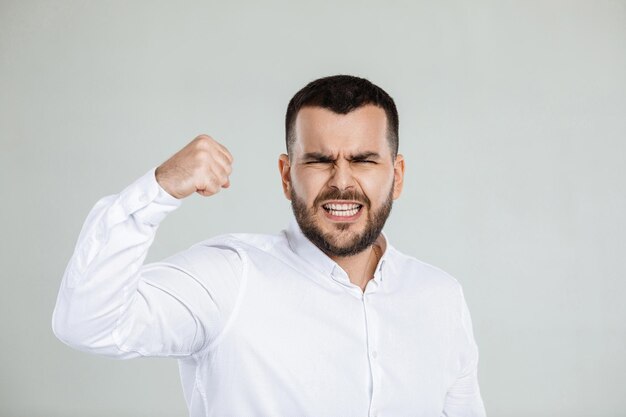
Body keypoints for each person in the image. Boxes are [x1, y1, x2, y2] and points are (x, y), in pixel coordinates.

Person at [52, 75, 486, 416]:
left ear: (398, 174)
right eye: (318, 160)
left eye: (363, 160)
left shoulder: (440, 297)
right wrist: (157, 190)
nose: (341, 182)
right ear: (285, 175)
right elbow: (87, 322)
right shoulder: (230, 280)